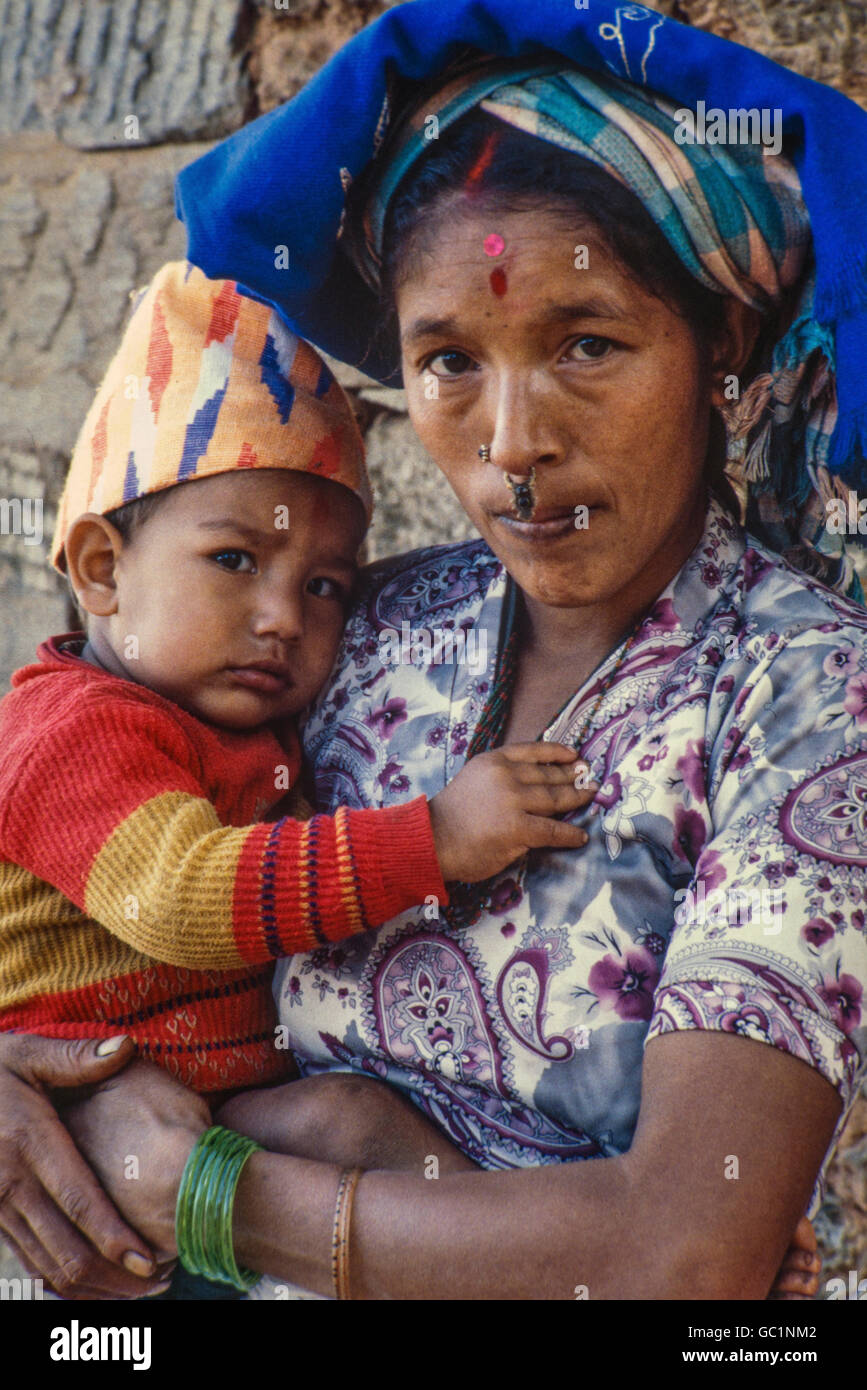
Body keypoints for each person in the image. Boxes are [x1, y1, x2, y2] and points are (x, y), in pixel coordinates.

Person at [2, 0, 865, 1300]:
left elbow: (683, 1253)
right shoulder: (353, 631)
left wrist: (191, 1185)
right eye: (451, 360)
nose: (513, 441)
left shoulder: (803, 697)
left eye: (587, 342)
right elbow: (95, 856)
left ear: (722, 346)